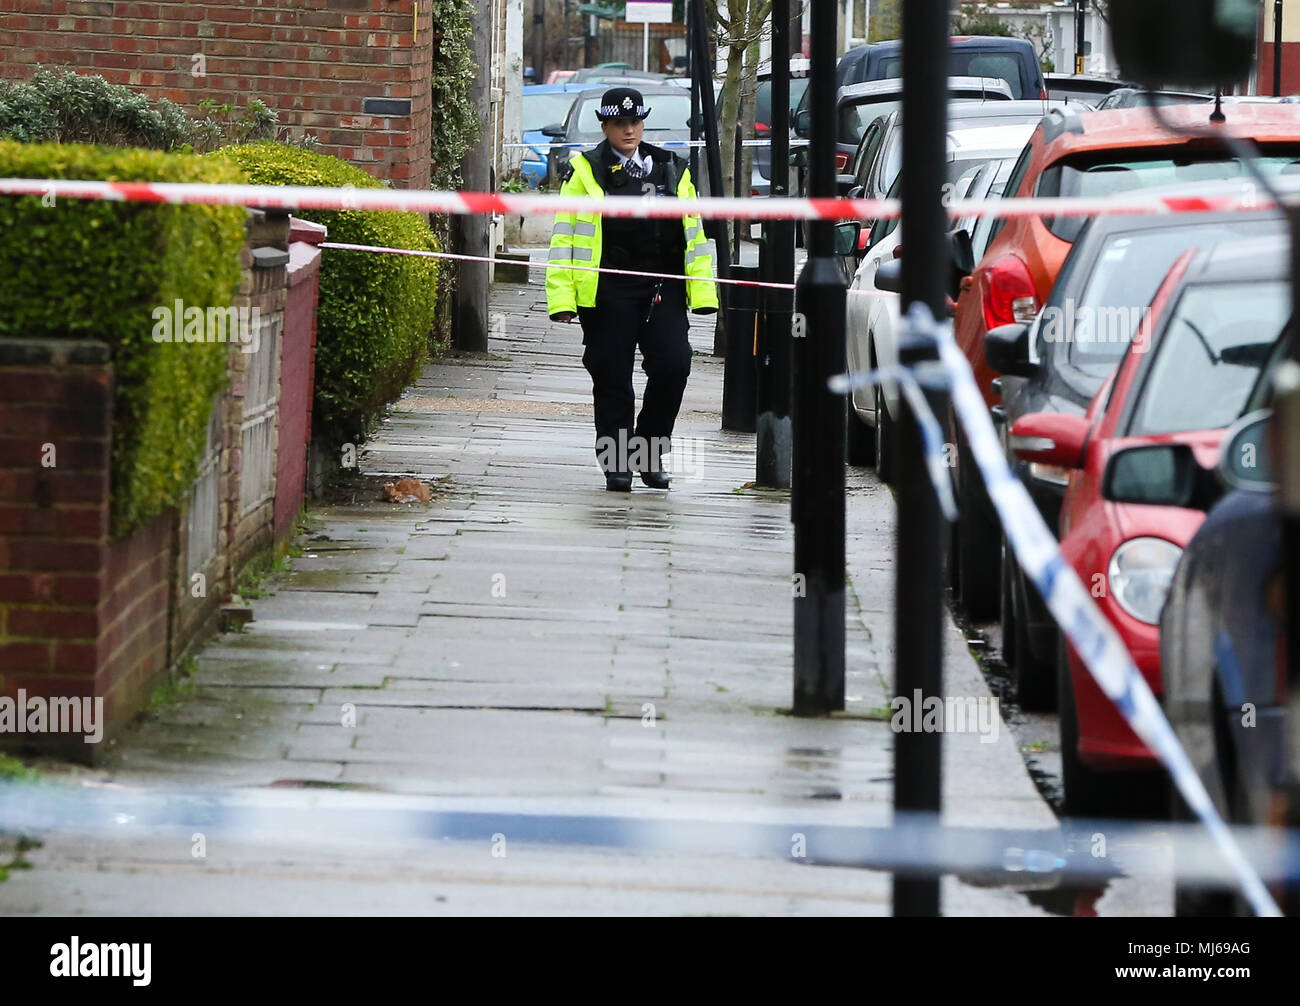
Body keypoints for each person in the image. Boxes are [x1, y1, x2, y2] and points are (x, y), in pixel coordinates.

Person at [545, 86, 718, 492]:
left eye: (635, 121)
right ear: (605, 126)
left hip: (663, 287)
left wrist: (704, 292)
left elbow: (694, 235)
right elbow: (565, 237)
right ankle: (618, 462)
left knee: (674, 366)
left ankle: (650, 452)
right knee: (611, 377)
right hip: (608, 289)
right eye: (620, 123)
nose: (629, 130)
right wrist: (562, 297)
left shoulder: (672, 167)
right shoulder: (585, 169)